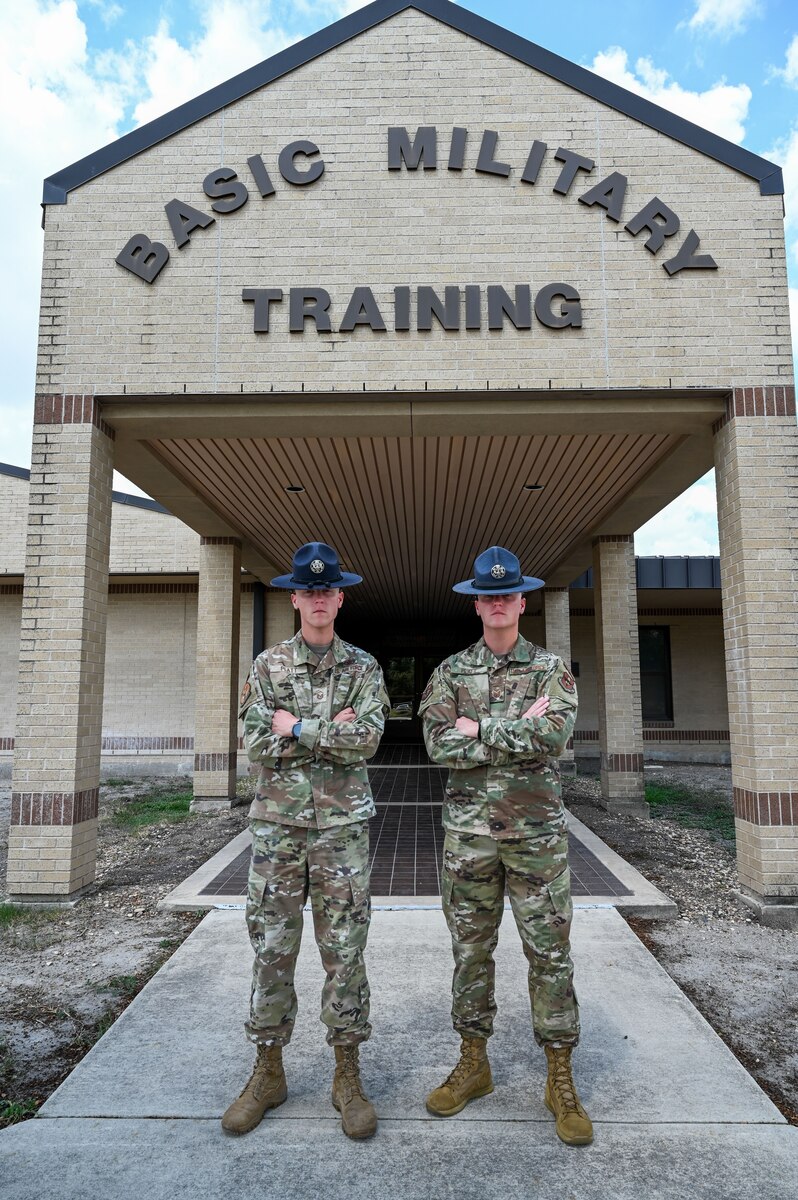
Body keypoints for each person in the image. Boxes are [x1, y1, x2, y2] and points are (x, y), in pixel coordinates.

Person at [419, 545, 592, 1146]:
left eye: (506, 595)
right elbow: (438, 744)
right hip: (469, 841)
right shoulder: (449, 673)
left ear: (522, 601)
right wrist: (518, 733)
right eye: (486, 596)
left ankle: (559, 1078)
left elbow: (557, 734)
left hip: (536, 840)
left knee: (550, 956)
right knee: (471, 954)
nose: (496, 603)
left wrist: (481, 728)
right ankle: (474, 1064)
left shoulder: (551, 670)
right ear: (477, 605)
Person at [222, 542, 389, 1140]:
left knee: (345, 953)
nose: (319, 598)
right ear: (294, 597)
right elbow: (254, 741)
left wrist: (294, 726)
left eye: (328, 589)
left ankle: (347, 1075)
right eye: (308, 590)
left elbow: (368, 739)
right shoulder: (266, 666)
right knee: (272, 949)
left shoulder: (364, 668)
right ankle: (268, 1072)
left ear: (340, 596)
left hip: (341, 833)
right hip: (278, 832)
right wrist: (328, 732)